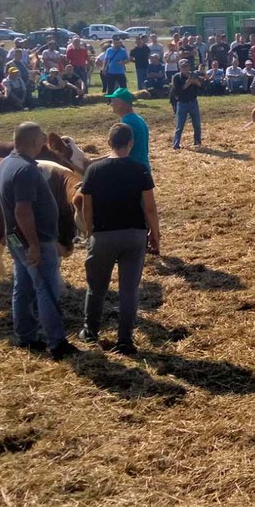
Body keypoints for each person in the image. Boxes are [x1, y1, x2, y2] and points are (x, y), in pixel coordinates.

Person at [78, 122, 159, 355]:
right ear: (131, 144)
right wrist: (155, 235)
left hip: (103, 235)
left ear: (108, 143)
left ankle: (90, 330)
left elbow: (87, 207)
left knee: (96, 287)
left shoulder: (93, 170)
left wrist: (89, 232)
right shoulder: (140, 169)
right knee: (129, 290)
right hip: (134, 235)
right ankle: (125, 339)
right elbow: (150, 208)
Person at [0, 122, 75, 359]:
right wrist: (34, 244)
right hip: (35, 240)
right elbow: (23, 211)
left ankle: (25, 335)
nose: (44, 141)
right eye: (41, 138)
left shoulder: (7, 163)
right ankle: (57, 342)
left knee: (23, 286)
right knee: (47, 289)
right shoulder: (26, 171)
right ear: (32, 142)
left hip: (14, 237)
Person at [170, 59, 203, 150]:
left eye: (187, 66)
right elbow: (178, 91)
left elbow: (202, 86)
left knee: (197, 125)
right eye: (183, 66)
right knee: (179, 125)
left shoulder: (194, 75)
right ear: (180, 68)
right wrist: (188, 82)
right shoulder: (177, 77)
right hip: (182, 103)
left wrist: (196, 82)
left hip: (193, 102)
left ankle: (197, 142)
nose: (185, 68)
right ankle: (176, 145)